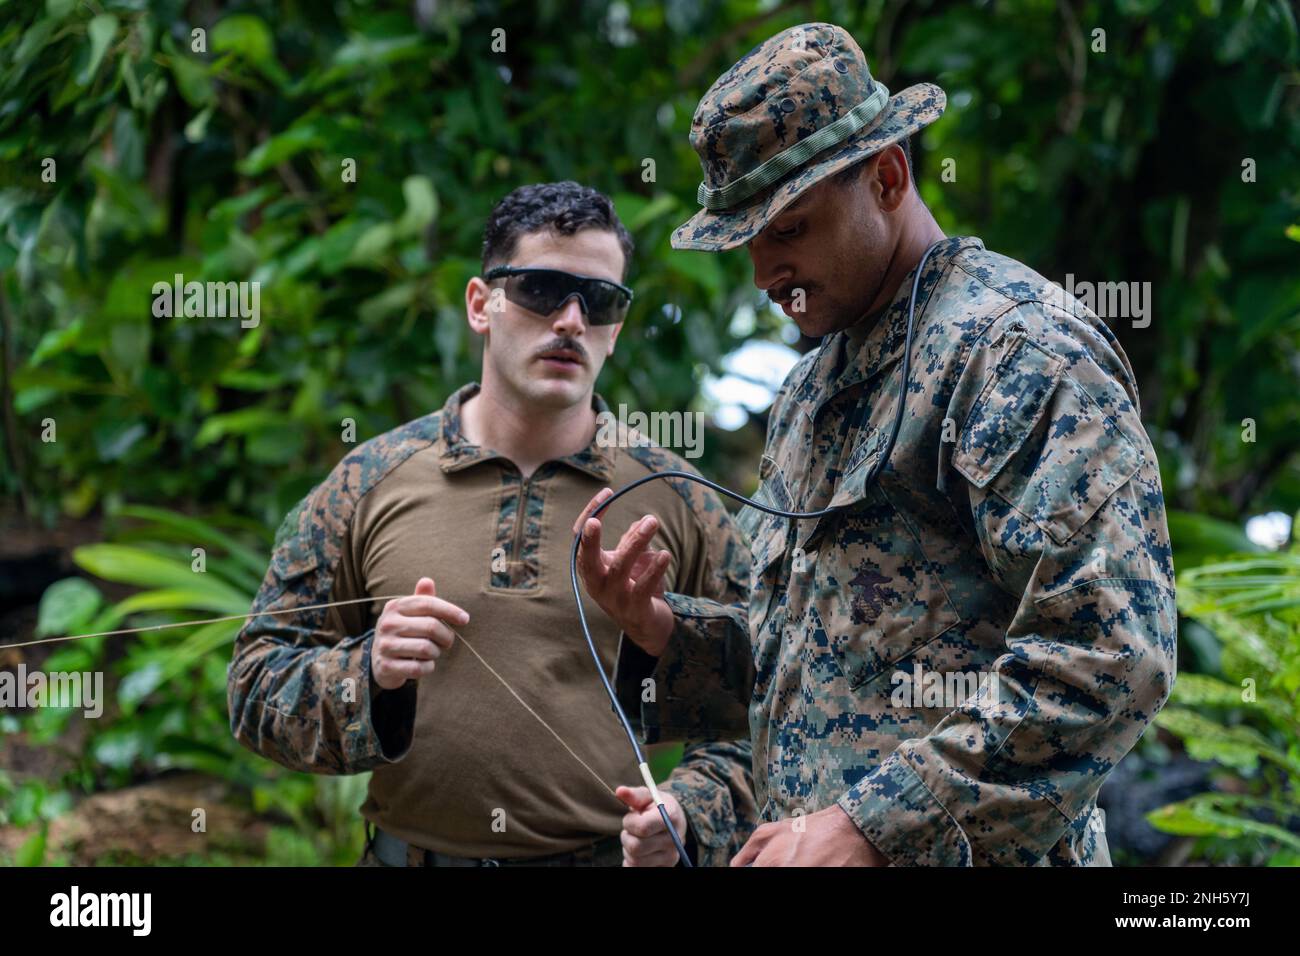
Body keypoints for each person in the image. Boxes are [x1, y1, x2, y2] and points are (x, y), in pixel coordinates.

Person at [576, 22, 1177, 866]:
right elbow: (820, 662)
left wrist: (874, 825)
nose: (761, 273)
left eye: (787, 229)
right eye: (747, 241)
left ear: (888, 178)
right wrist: (667, 632)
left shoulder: (1015, 353)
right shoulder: (809, 394)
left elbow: (1112, 655)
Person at [228, 181, 757, 866]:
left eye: (598, 301)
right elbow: (253, 686)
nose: (569, 320)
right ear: (482, 304)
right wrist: (368, 673)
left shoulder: (679, 499)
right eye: (541, 290)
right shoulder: (369, 480)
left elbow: (768, 701)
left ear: (616, 329)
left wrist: (689, 814)